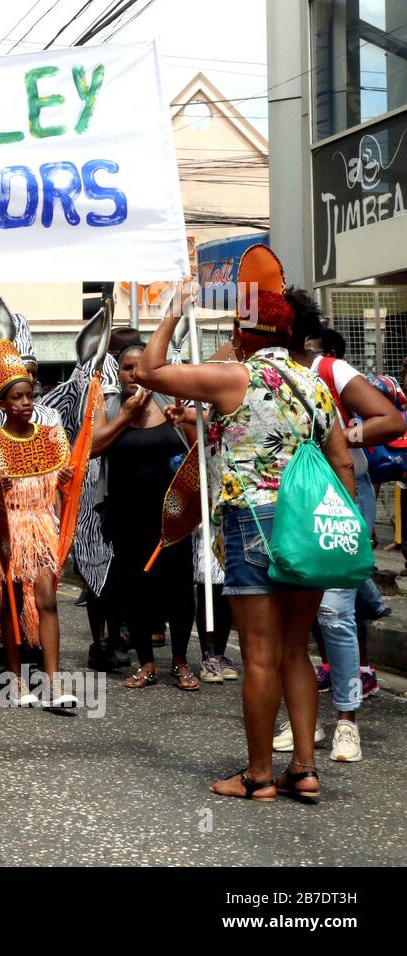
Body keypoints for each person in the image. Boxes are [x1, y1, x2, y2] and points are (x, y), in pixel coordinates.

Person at [133, 246, 354, 803]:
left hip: (253, 519)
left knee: (257, 654)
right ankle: (303, 769)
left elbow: (148, 371)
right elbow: (343, 463)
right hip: (310, 525)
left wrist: (172, 310)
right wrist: (340, 526)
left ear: (245, 333)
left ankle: (258, 775)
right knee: (296, 652)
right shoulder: (317, 386)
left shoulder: (235, 379)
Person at [271, 294, 404, 763]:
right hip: (286, 500)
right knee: (289, 616)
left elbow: (390, 419)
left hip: (342, 492)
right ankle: (301, 717)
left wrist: (340, 439)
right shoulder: (260, 371)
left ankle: (347, 720)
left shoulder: (330, 370)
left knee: (332, 611)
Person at [0, 337, 75, 709]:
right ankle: (14, 682)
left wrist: (64, 479)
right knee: (11, 604)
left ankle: (55, 683)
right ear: (2, 403)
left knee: (47, 601)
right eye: (17, 397)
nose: (26, 403)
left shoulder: (50, 438)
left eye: (30, 395)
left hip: (41, 527)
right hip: (8, 529)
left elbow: (62, 481)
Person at [90, 342, 200, 691]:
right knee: (134, 589)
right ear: (119, 373)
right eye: (127, 368)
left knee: (180, 588)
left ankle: (181, 661)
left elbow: (197, 450)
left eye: (141, 367)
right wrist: (125, 417)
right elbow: (92, 447)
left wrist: (186, 421)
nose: (135, 374)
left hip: (173, 516)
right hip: (126, 514)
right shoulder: (107, 406)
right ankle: (146, 664)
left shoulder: (172, 402)